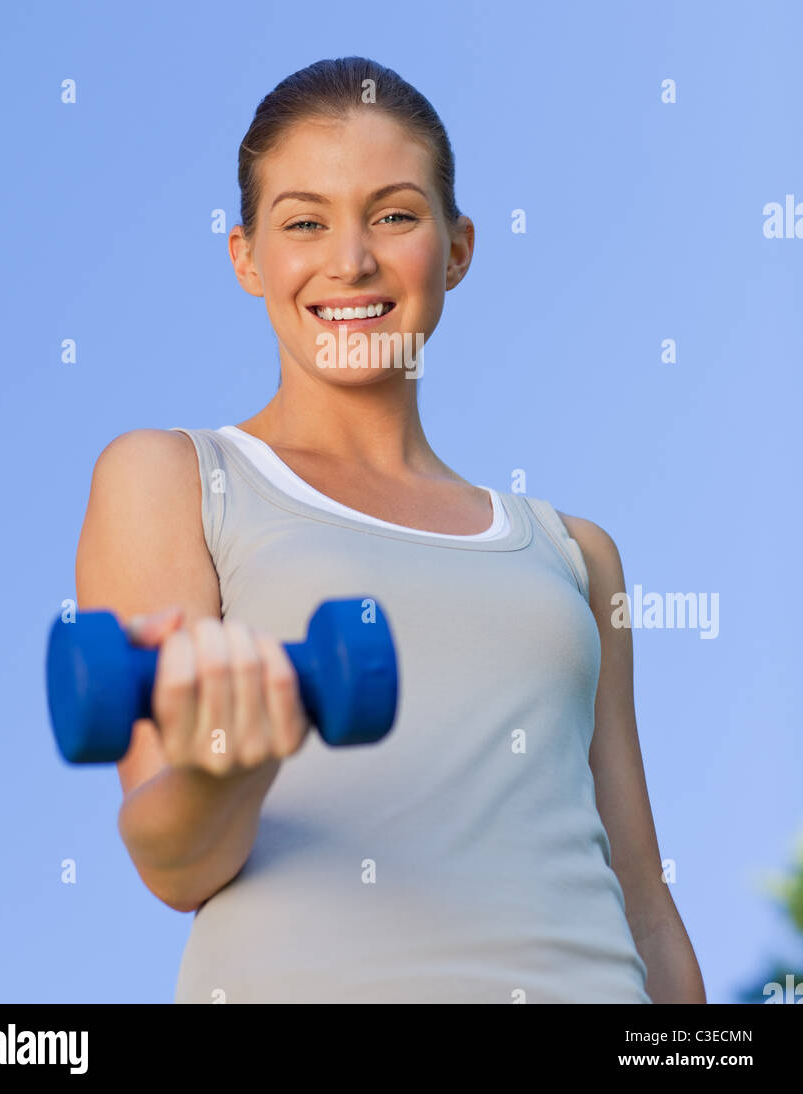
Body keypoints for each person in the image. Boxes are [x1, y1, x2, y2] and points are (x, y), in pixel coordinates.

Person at [75, 55, 706, 1004]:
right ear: (247, 257)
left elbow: (645, 901)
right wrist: (232, 766)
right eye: (304, 222)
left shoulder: (574, 553)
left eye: (395, 214)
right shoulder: (175, 477)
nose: (352, 260)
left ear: (456, 248)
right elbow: (175, 865)